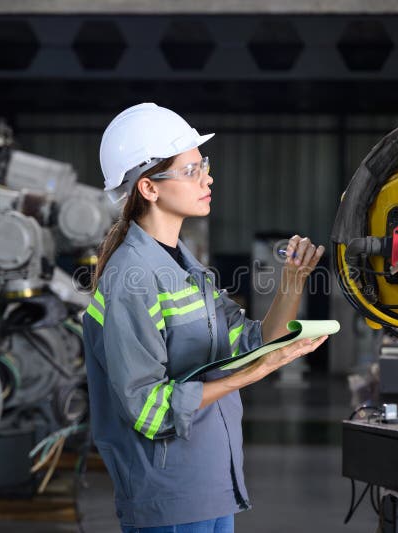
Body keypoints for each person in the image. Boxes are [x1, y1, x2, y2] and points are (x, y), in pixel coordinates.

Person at [83, 103, 328, 533]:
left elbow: (254, 342)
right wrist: (249, 377)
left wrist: (294, 278)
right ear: (149, 188)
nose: (208, 178)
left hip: (211, 484)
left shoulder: (186, 268)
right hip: (168, 497)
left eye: (205, 166)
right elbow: (148, 408)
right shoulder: (130, 279)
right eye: (192, 170)